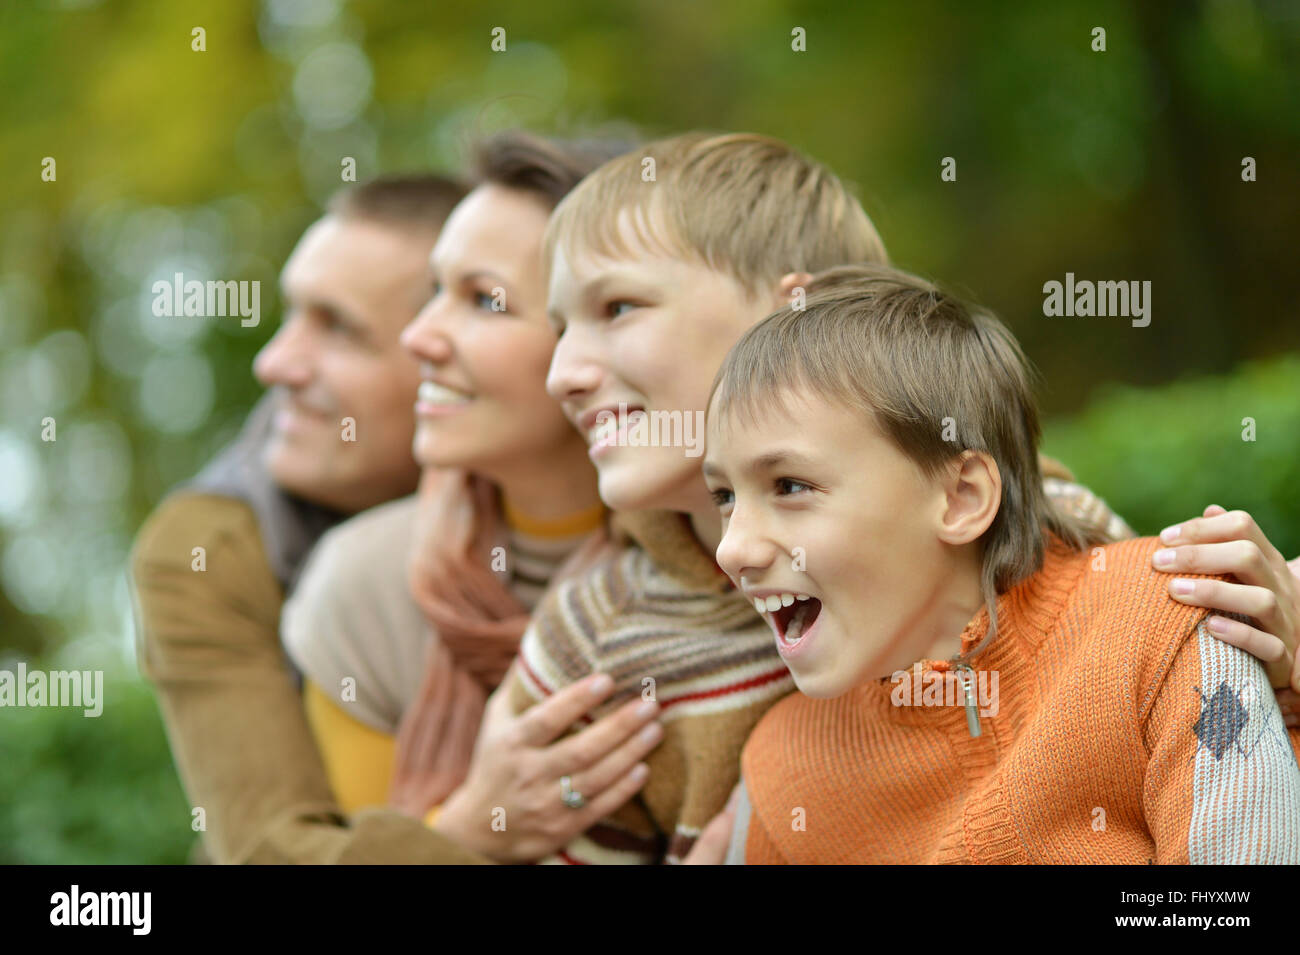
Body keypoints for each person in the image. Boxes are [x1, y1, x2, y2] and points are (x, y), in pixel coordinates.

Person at [483, 130, 1300, 865]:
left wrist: (1287, 665)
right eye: (725, 495)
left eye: (617, 306)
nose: (562, 372)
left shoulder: (1133, 596)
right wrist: (458, 829)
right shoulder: (643, 667)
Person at [705, 264, 1300, 863]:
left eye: (789, 485)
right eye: (724, 497)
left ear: (962, 497)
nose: (732, 549)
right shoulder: (781, 780)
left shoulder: (1166, 623)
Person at [279, 132, 668, 860]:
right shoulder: (365, 585)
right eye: (434, 291)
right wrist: (468, 828)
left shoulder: (725, 562)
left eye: (484, 300)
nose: (420, 336)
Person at [130, 174, 500, 864]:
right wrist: (462, 834)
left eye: (339, 329)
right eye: (292, 313)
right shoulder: (210, 546)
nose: (275, 362)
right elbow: (269, 849)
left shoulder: (567, 489)